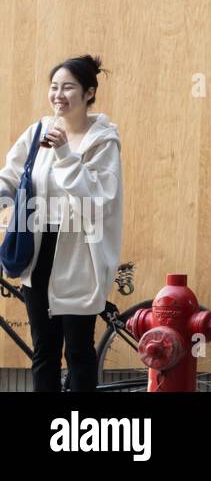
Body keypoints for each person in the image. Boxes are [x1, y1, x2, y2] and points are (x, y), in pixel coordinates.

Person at [0, 55, 122, 392]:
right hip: (39, 252)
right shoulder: (39, 130)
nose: (59, 95)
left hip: (80, 255)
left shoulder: (103, 141)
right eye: (54, 87)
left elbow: (98, 198)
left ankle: (78, 432)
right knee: (44, 351)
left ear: (89, 93)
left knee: (79, 351)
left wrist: (66, 154)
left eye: (68, 87)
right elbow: (11, 177)